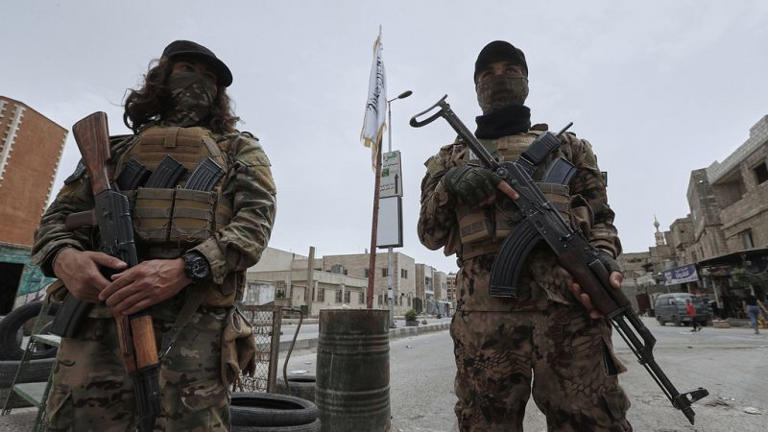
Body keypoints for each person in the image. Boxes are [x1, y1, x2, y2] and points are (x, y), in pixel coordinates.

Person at [31, 40, 277, 431]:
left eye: (210, 78)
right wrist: (65, 258)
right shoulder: (112, 151)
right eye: (185, 70)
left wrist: (187, 267)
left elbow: (255, 225)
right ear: (159, 79)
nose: (198, 82)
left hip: (192, 335)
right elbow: (55, 220)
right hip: (96, 328)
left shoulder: (238, 149)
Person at [418, 41, 631, 431]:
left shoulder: (570, 149)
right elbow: (429, 236)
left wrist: (604, 259)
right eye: (487, 73)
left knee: (590, 421)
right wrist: (448, 186)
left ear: (527, 82)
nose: (498, 77)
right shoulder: (449, 158)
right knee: (485, 423)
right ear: (476, 88)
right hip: (484, 319)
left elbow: (601, 218)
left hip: (570, 312)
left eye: (510, 69)